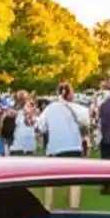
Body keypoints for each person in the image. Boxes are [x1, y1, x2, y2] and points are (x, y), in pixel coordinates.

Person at [38, 81, 85, 209]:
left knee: (50, 181)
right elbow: (86, 122)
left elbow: (41, 126)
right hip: (74, 147)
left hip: (55, 148)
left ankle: (48, 206)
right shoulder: (77, 108)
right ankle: (74, 208)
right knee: (75, 181)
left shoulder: (49, 108)